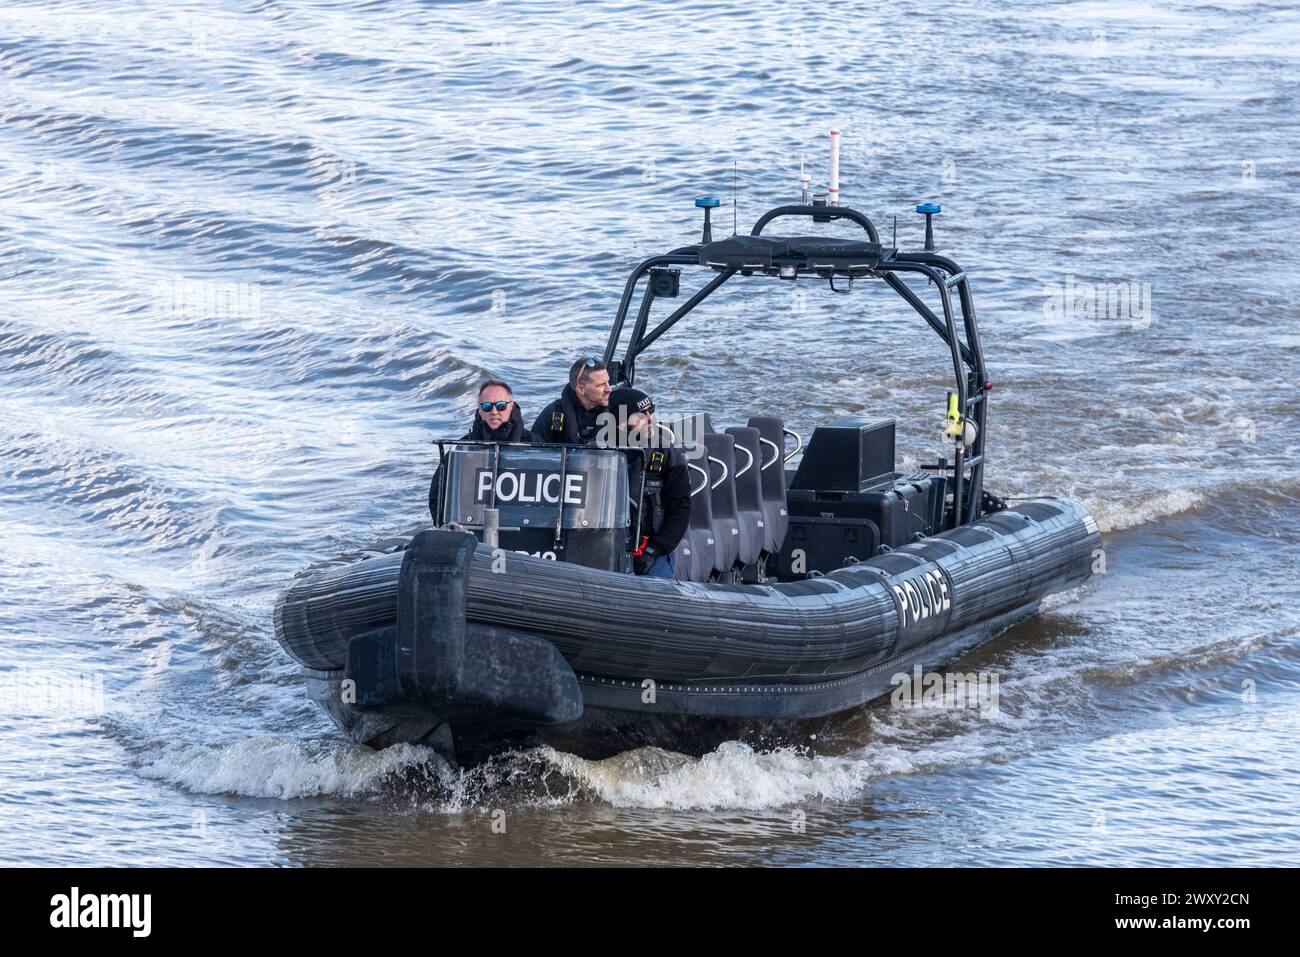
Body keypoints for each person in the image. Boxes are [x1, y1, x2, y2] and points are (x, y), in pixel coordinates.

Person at [602, 386, 690, 579]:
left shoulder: (667, 455)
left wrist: (654, 549)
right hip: (602, 546)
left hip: (652, 552)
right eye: (642, 415)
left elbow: (681, 509)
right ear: (620, 421)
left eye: (652, 412)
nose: (650, 420)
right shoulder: (595, 451)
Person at [428, 380, 532, 522]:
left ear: (512, 406)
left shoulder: (534, 444)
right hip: (472, 528)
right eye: (487, 406)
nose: (494, 412)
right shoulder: (462, 449)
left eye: (501, 406)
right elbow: (437, 495)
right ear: (479, 409)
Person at [531, 356, 611, 445]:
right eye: (600, 385)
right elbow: (533, 453)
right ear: (581, 389)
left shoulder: (617, 410)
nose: (609, 389)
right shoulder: (553, 414)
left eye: (608, 382)